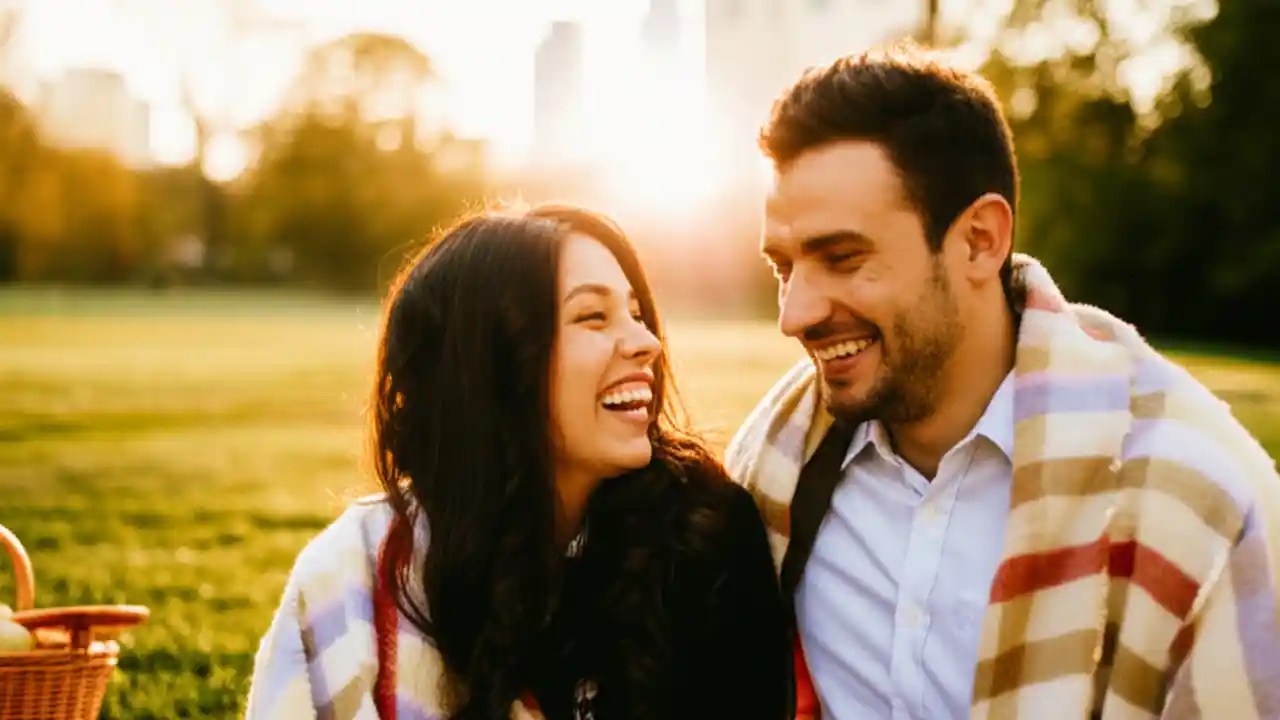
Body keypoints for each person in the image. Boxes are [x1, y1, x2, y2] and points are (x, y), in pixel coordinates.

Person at [727, 42, 1280, 720]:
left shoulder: (1198, 504)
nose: (795, 314)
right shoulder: (774, 470)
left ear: (979, 241)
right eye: (783, 266)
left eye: (842, 258)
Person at [247, 205, 789, 719]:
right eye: (593, 316)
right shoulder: (359, 573)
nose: (646, 341)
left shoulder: (703, 538)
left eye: (638, 313)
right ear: (492, 364)